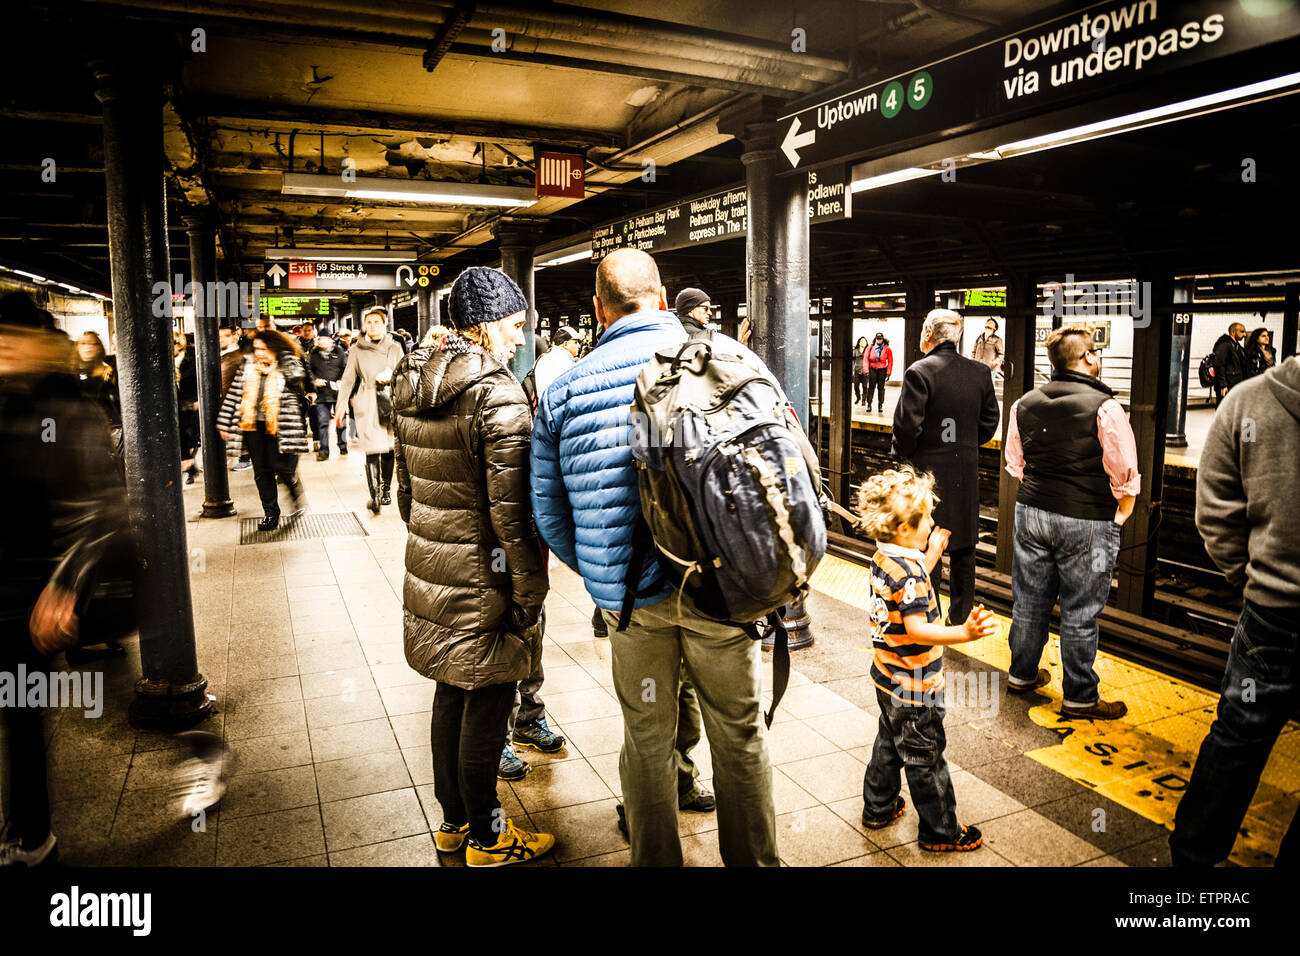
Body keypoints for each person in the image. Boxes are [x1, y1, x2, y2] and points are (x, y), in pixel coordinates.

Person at [531, 248, 778, 867]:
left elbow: (549, 512)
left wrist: (603, 570)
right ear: (664, 298)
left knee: (646, 738)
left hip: (632, 604)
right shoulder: (731, 361)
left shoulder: (565, 390)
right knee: (740, 736)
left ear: (598, 307)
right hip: (720, 593)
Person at [391, 266, 554, 867]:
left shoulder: (408, 385)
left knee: (450, 694)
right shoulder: (498, 394)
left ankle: (454, 826)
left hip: (433, 569)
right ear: (484, 328)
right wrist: (529, 593)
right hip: (486, 580)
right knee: (488, 702)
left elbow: (407, 497)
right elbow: (514, 518)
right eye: (513, 327)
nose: (519, 340)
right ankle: (489, 838)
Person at [0, 304, 128, 866]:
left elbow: (100, 506)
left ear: (39, 342)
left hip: (34, 592)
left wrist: (66, 584)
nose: (3, 346)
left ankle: (31, 839)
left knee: (24, 715)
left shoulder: (64, 409)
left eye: (13, 335)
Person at [1170, 355, 1300, 867]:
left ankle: (1195, 857)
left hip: (1272, 612)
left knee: (1237, 738)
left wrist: (1252, 579)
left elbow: (1215, 510)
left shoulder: (1247, 400)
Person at [856, 466, 997, 852]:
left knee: (889, 742)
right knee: (925, 756)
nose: (932, 523)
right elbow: (917, 627)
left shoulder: (886, 559)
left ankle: (878, 807)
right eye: (926, 519)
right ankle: (940, 831)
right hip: (917, 686)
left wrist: (931, 553)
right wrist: (962, 634)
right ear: (904, 529)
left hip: (886, 677)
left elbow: (905, 596)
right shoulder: (909, 572)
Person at [1003, 323, 1140, 718]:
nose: (1097, 356)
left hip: (1031, 512)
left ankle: (1021, 675)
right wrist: (1122, 512)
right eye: (1094, 350)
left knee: (1029, 601)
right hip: (1087, 519)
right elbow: (1124, 470)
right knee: (1080, 610)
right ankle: (1080, 696)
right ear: (1086, 358)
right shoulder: (1106, 407)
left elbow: (1016, 464)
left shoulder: (1024, 403)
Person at [892, 310, 998, 628]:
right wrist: (964, 445)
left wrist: (904, 460)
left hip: (927, 475)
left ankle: (929, 614)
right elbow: (990, 422)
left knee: (928, 541)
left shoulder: (919, 372)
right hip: (964, 471)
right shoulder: (980, 372)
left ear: (928, 334)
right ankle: (961, 618)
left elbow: (906, 428)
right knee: (964, 546)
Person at [217, 330, 310, 531]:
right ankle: (271, 513)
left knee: (283, 468)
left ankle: (295, 494)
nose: (259, 353)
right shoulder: (248, 367)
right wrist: (224, 423)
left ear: (274, 347)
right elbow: (234, 396)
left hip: (280, 425)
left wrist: (282, 357)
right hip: (253, 426)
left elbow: (298, 375)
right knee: (261, 471)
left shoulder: (287, 365)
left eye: (263, 348)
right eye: (256, 348)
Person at [335, 308, 404, 515]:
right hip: (367, 400)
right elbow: (348, 380)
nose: (372, 325)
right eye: (369, 322)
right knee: (372, 450)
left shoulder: (394, 346)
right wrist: (340, 408)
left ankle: (386, 489)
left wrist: (391, 374)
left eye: (377, 322)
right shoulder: (356, 348)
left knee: (389, 448)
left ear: (385, 325)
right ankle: (374, 496)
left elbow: (403, 372)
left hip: (390, 399)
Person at [74, 331, 121, 460]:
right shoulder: (72, 373)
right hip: (81, 432)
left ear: (99, 348)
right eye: (83, 343)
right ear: (77, 347)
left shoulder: (109, 372)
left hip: (109, 432)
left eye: (93, 344)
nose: (88, 347)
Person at [307, 335, 348, 461]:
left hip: (338, 393)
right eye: (320, 339)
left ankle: (343, 445)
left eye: (326, 339)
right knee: (322, 423)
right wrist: (314, 381)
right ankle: (324, 451)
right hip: (321, 394)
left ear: (331, 341)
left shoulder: (339, 352)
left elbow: (346, 368)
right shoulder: (314, 355)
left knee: (341, 421)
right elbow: (309, 371)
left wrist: (342, 380)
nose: (322, 341)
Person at [174, 332, 201, 485]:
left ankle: (190, 466)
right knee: (184, 436)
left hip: (191, 404)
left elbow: (199, 380)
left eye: (176, 343)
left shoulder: (191, 359)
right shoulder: (165, 362)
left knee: (190, 437)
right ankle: (190, 467)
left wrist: (198, 399)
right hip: (179, 405)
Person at [530, 325, 582, 399]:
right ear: (566, 344)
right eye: (575, 342)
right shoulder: (562, 361)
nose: (579, 346)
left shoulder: (547, 356)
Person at [1211, 322, 1247, 405]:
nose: (1244, 334)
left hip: (1233, 384)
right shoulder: (1224, 344)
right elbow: (1219, 365)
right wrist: (1223, 385)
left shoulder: (1236, 346)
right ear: (1233, 332)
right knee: (1224, 408)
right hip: (1228, 384)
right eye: (1242, 331)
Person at [864, 331, 893, 413]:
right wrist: (866, 371)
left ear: (883, 339)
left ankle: (880, 404)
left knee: (881, 388)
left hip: (882, 369)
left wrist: (888, 372)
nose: (878, 340)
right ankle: (869, 404)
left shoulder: (887, 348)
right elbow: (865, 359)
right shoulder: (870, 347)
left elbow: (890, 361)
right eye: (877, 339)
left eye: (880, 339)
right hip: (872, 368)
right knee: (871, 387)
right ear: (875, 339)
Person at [852, 336, 868, 405]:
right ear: (859, 342)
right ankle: (858, 397)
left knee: (865, 386)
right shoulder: (855, 351)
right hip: (857, 370)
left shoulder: (868, 351)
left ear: (866, 343)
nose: (863, 342)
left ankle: (864, 400)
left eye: (864, 341)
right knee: (856, 386)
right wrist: (853, 369)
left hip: (865, 371)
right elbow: (852, 361)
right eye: (862, 341)